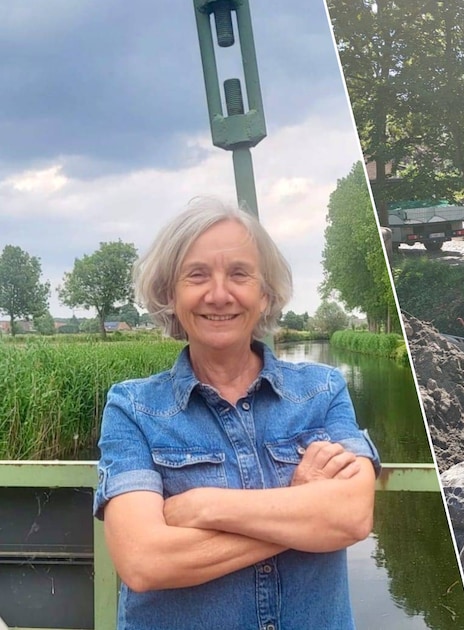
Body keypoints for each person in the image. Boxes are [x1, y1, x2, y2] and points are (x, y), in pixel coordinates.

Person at [93, 199, 380, 629]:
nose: (219, 294)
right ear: (170, 294)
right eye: (197, 275)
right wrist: (301, 507)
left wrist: (203, 506)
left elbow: (352, 516)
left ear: (265, 294)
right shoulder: (132, 408)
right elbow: (144, 561)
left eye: (240, 274)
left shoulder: (323, 390)